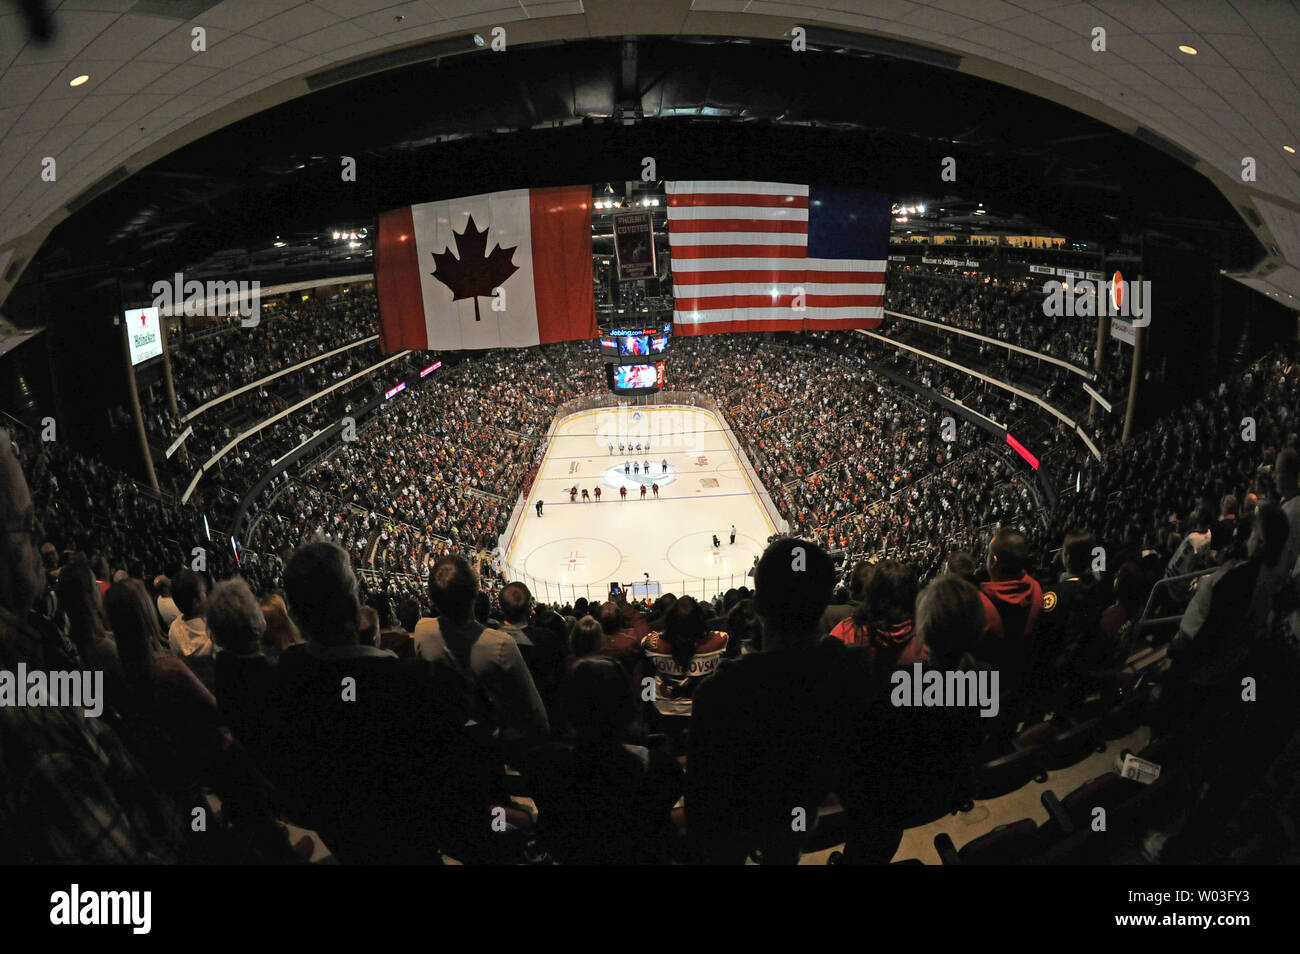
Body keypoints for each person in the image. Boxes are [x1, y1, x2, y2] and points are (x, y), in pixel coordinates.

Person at [275, 542, 493, 863]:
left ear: (295, 613)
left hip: (345, 840)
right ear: (353, 602)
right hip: (410, 844)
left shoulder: (286, 674)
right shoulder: (417, 682)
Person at [687, 538, 865, 864]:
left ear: (759, 605)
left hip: (749, 829)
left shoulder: (720, 695)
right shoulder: (858, 672)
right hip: (823, 817)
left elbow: (705, 818)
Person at [414, 554, 549, 757]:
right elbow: (536, 716)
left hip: (445, 746)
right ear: (476, 592)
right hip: (491, 750)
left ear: (432, 599)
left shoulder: (422, 630)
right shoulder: (500, 644)